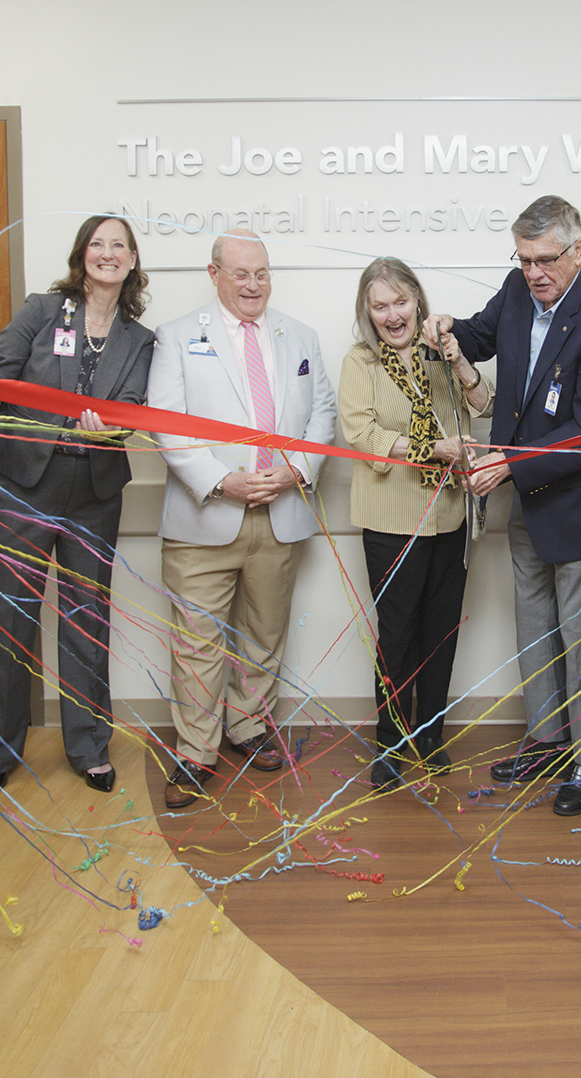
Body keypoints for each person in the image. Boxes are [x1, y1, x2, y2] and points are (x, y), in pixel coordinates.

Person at [423, 195, 581, 817]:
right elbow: (481, 337)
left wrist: (509, 464)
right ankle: (547, 741)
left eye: (546, 260)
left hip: (576, 508)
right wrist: (447, 329)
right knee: (534, 630)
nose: (534, 272)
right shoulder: (517, 291)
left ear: (578, 250)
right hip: (525, 506)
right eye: (524, 259)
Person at [0, 214, 156, 797]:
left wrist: (103, 430)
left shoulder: (140, 340)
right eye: (97, 243)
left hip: (94, 494)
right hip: (23, 485)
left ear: (133, 260)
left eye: (119, 245)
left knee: (88, 621)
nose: (107, 253)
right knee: (9, 617)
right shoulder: (42, 310)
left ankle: (89, 748)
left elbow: (129, 410)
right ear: (82, 254)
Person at [148, 232, 335, 809]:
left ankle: (248, 727)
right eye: (240, 274)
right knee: (197, 643)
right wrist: (220, 480)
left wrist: (296, 472)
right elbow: (165, 422)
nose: (253, 284)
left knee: (263, 634)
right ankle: (196, 753)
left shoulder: (299, 337)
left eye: (262, 273)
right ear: (214, 273)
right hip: (206, 515)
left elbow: (322, 413)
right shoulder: (177, 337)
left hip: (278, 514)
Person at [337, 257, 491, 791]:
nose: (392, 314)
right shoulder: (361, 361)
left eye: (400, 302)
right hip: (390, 519)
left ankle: (431, 735)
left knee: (440, 633)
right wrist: (432, 448)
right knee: (397, 635)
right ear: (368, 312)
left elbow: (484, 404)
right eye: (380, 306)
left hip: (450, 515)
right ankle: (390, 741)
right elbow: (362, 433)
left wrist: (462, 363)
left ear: (418, 303)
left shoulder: (442, 351)